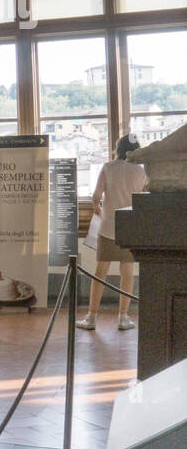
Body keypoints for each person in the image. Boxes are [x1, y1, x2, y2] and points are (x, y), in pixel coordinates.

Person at [78, 134, 147, 331]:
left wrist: (98, 209)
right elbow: (143, 198)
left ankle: (91, 318)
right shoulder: (141, 171)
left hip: (108, 226)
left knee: (100, 271)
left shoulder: (108, 167)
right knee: (127, 272)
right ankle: (123, 317)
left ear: (118, 148)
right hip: (130, 226)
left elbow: (96, 196)